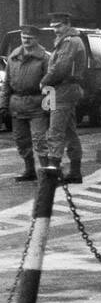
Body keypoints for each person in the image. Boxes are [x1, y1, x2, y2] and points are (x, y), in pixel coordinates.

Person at [0, 24, 51, 183]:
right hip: (17, 105)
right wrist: (3, 104)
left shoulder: (45, 58)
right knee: (21, 141)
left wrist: (51, 107)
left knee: (40, 140)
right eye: (24, 38)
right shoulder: (13, 57)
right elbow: (6, 84)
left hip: (38, 105)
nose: (26, 41)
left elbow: (51, 84)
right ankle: (29, 170)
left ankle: (46, 172)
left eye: (30, 38)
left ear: (36, 39)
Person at [41, 13, 87, 184]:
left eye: (59, 26)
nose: (55, 30)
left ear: (68, 24)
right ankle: (75, 172)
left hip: (63, 89)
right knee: (69, 131)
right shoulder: (68, 41)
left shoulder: (70, 42)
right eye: (53, 26)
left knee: (55, 132)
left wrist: (44, 81)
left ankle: (53, 172)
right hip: (64, 89)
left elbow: (61, 67)